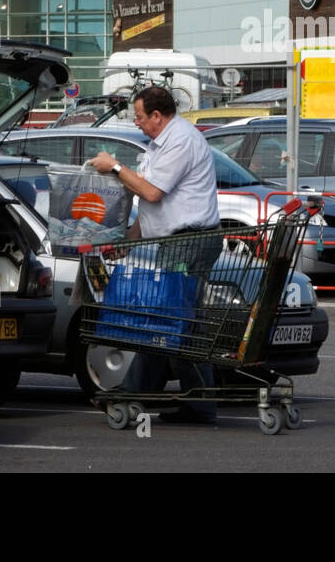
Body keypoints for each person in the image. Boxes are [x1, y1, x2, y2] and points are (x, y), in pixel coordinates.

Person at [87, 85, 221, 424]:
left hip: (189, 241)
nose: (137, 123)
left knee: (168, 319)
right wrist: (129, 241)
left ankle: (136, 393)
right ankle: (189, 402)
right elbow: (150, 209)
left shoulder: (181, 141)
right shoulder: (160, 144)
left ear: (158, 116)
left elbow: (151, 191)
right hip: (174, 241)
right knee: (176, 322)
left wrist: (115, 167)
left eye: (140, 117)